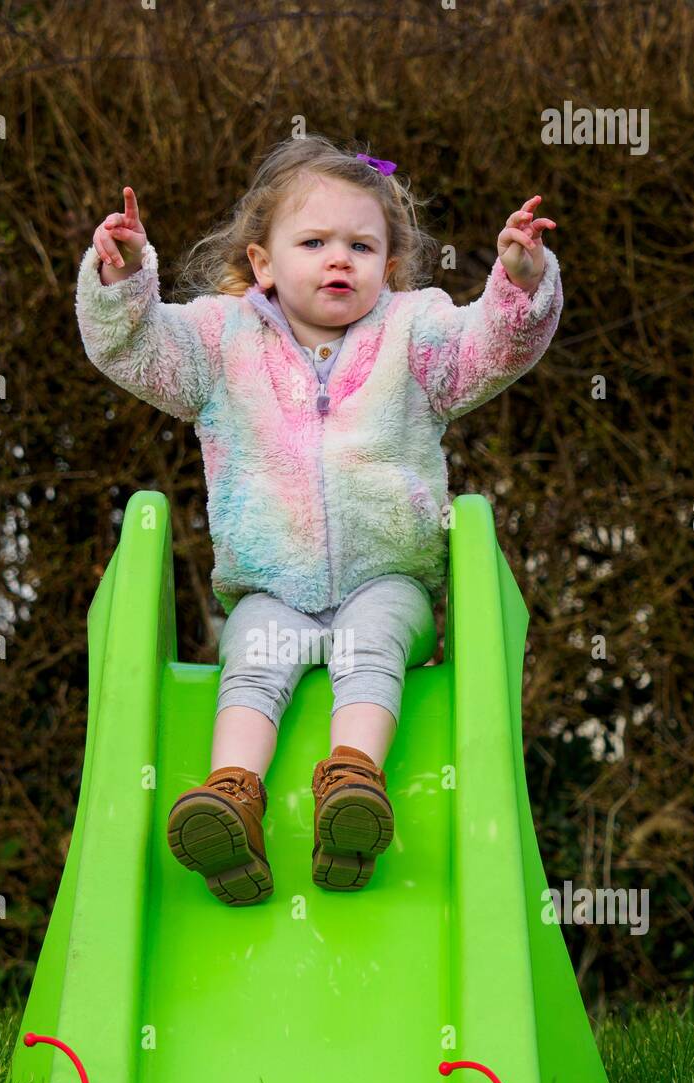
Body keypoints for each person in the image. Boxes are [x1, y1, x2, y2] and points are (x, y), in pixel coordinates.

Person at [76, 133, 561, 906]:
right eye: (314, 242)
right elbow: (135, 348)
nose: (340, 259)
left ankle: (353, 784)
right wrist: (124, 279)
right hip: (271, 583)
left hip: (388, 578)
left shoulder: (415, 334)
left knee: (370, 644)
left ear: (390, 266)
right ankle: (231, 795)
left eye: (361, 246)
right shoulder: (218, 342)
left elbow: (490, 349)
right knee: (254, 661)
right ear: (263, 262)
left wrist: (518, 284)